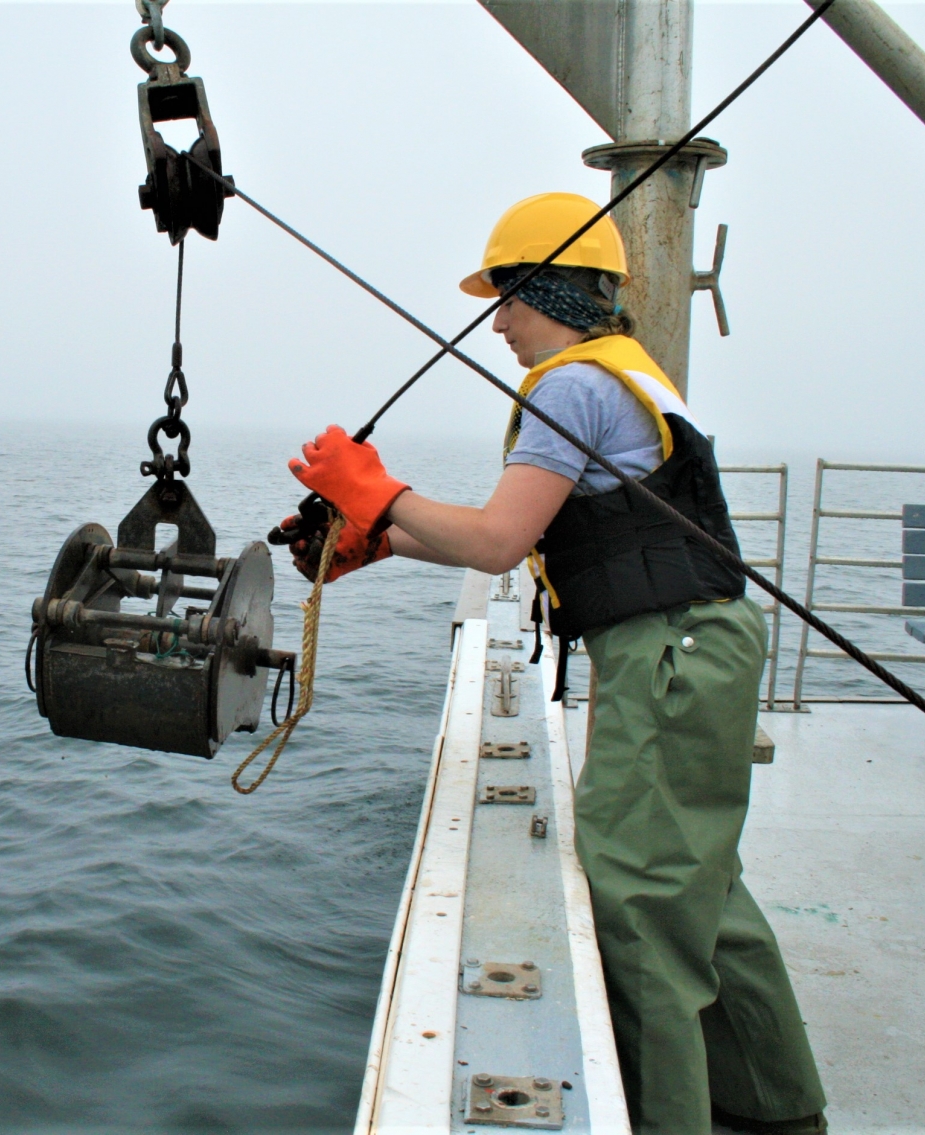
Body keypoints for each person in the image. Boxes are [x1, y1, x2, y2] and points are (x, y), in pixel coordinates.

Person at [280, 193, 829, 1135]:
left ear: (558, 291)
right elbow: (528, 536)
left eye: (510, 297)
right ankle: (777, 1108)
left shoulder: (568, 385)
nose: (497, 321)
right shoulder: (622, 373)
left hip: (668, 655)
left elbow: (497, 541)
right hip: (702, 646)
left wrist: (377, 492)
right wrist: (383, 535)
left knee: (640, 897)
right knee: (705, 889)